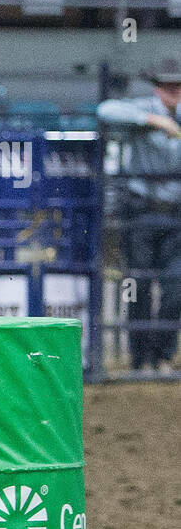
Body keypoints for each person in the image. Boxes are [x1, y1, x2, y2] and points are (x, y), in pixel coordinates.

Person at [97, 57, 181, 373]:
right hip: (142, 211)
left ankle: (161, 356)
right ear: (157, 88)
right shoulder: (145, 109)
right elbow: (105, 110)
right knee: (139, 287)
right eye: (166, 85)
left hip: (176, 216)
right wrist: (152, 120)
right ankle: (140, 358)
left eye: (177, 85)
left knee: (175, 289)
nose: (172, 90)